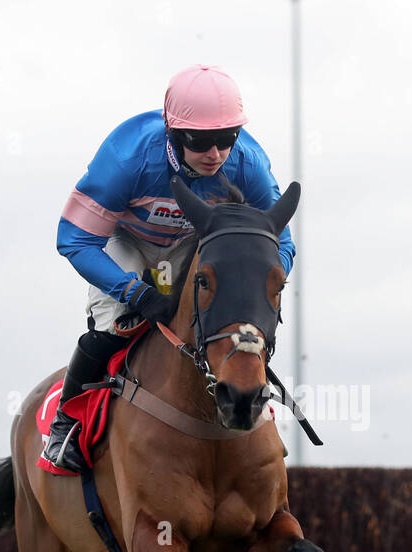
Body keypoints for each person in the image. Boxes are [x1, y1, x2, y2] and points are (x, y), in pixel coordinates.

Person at [42, 64, 296, 473]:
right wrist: (135, 293)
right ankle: (65, 426)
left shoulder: (247, 162)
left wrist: (262, 280)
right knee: (112, 326)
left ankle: (251, 410)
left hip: (188, 244)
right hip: (122, 241)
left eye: (226, 139)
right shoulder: (128, 158)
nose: (215, 154)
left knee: (228, 315)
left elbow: (281, 242)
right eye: (200, 141)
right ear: (173, 133)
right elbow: (74, 239)